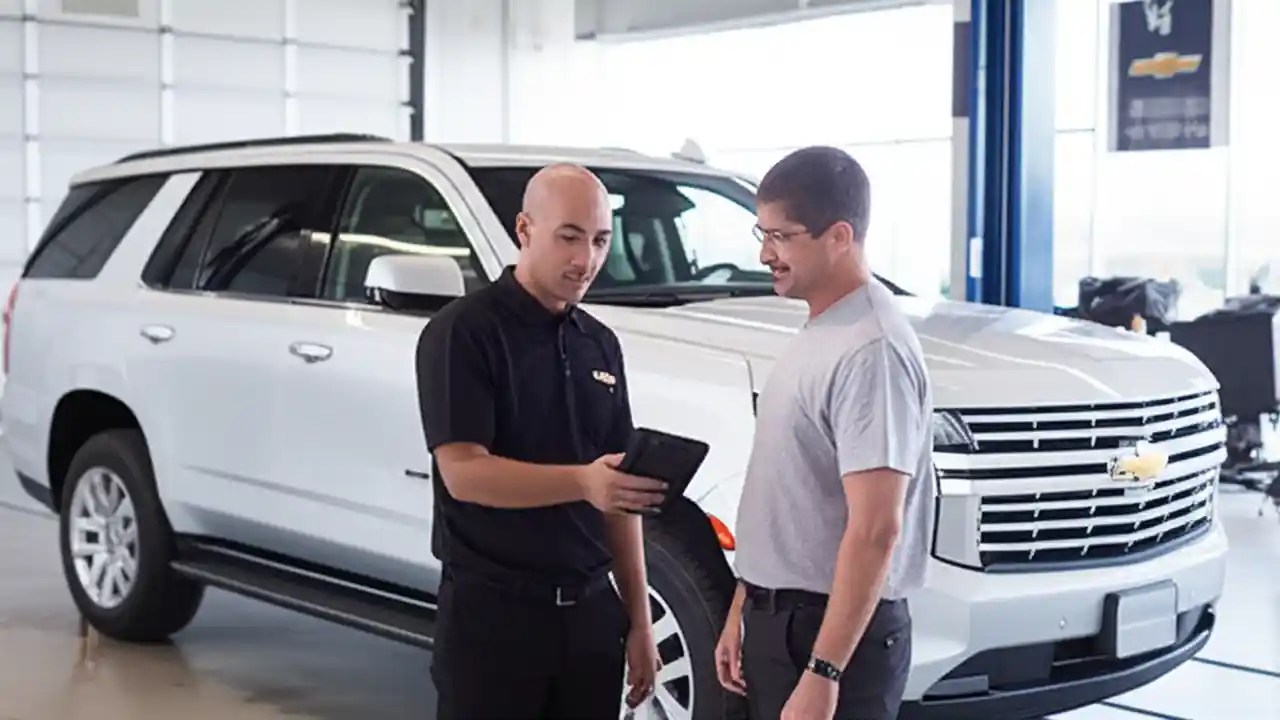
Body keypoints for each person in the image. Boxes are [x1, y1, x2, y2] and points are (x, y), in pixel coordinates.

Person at [416, 163, 664, 719]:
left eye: (601, 240)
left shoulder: (599, 345)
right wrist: (583, 481)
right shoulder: (463, 333)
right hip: (495, 622)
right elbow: (465, 473)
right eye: (569, 237)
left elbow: (617, 493)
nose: (587, 260)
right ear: (524, 230)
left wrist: (640, 623)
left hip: (591, 619)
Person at [714, 146, 936, 720]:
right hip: (783, 622)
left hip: (828, 637)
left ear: (839, 236)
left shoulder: (872, 349)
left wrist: (824, 670)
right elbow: (790, 489)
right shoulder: (823, 327)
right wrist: (746, 601)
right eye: (760, 234)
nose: (765, 254)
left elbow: (875, 529)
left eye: (781, 237)